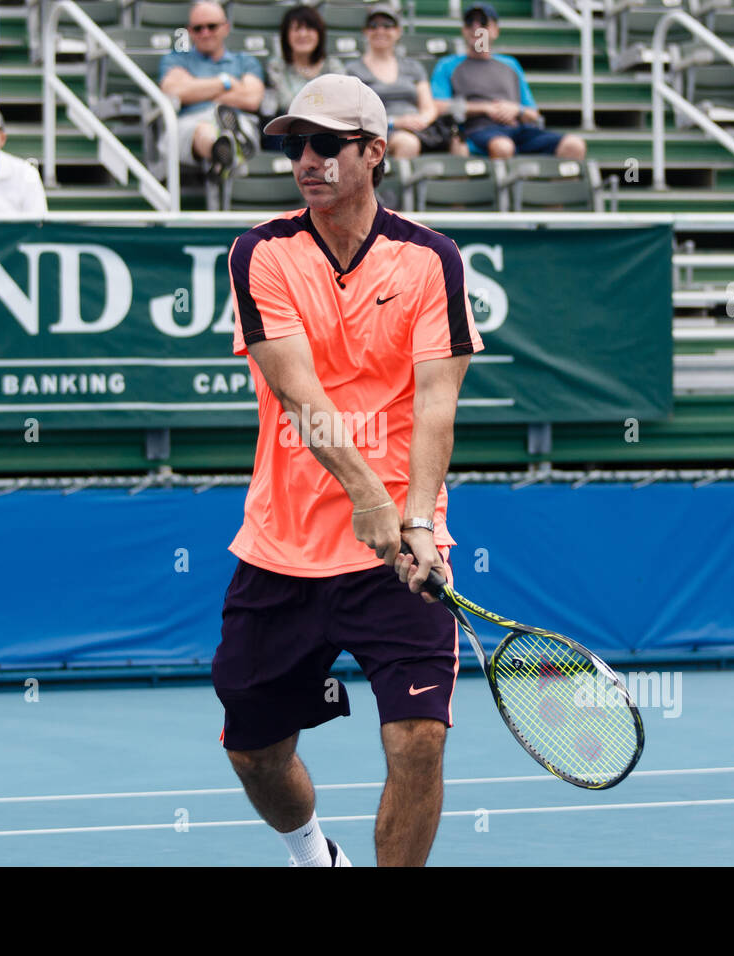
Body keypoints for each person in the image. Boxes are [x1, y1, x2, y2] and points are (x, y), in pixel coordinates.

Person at [217, 74, 483, 867]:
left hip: (399, 560)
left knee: (418, 743)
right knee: (255, 754)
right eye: (297, 144)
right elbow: (298, 393)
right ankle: (312, 855)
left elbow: (436, 404)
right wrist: (369, 496)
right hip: (283, 552)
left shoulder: (431, 259)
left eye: (328, 144)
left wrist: (418, 520)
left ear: (375, 152)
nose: (308, 159)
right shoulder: (260, 252)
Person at [431, 2, 586, 160]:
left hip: (518, 130)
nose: (476, 28)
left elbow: (533, 114)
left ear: (495, 31)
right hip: (477, 130)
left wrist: (516, 110)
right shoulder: (448, 65)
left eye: (483, 22)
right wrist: (485, 108)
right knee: (503, 146)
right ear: (464, 30)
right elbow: (438, 106)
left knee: (574, 145)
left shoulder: (510, 64)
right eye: (470, 22)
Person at [158, 1, 264, 179]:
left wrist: (195, 88)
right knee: (203, 130)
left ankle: (222, 153)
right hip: (190, 123)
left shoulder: (245, 61)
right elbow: (173, 91)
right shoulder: (176, 59)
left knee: (235, 128)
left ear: (226, 28)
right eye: (198, 28)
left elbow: (252, 99)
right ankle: (224, 149)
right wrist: (226, 82)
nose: (205, 33)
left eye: (212, 26)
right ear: (189, 31)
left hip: (237, 118)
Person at [344, 4, 445, 159]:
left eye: (387, 26)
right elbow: (354, 114)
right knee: (408, 143)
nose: (380, 31)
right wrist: (395, 122)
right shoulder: (353, 70)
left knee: (460, 144)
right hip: (378, 130)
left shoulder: (413, 67)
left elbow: (428, 107)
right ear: (365, 32)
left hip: (419, 128)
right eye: (373, 26)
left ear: (398, 31)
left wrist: (420, 120)